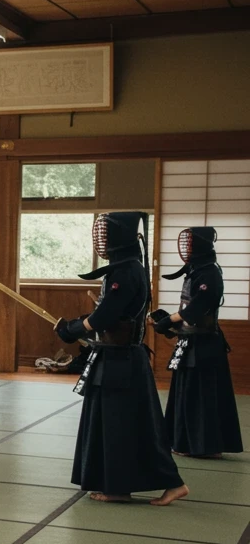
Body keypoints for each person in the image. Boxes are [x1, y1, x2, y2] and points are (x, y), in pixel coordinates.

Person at [54, 212, 188, 506]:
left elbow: (105, 316)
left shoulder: (127, 271)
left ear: (121, 237)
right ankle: (156, 483)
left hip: (121, 362)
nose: (101, 239)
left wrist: (73, 329)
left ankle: (124, 486)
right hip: (116, 358)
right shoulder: (125, 268)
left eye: (106, 233)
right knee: (127, 424)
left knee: (120, 425)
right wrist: (78, 326)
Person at [153, 227, 242, 459]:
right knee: (186, 393)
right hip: (190, 340)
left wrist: (170, 320)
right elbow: (187, 309)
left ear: (201, 245)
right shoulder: (197, 271)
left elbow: (197, 307)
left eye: (191, 243)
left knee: (202, 396)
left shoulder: (210, 272)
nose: (187, 248)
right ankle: (183, 441)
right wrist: (172, 325)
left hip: (205, 344)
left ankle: (204, 446)